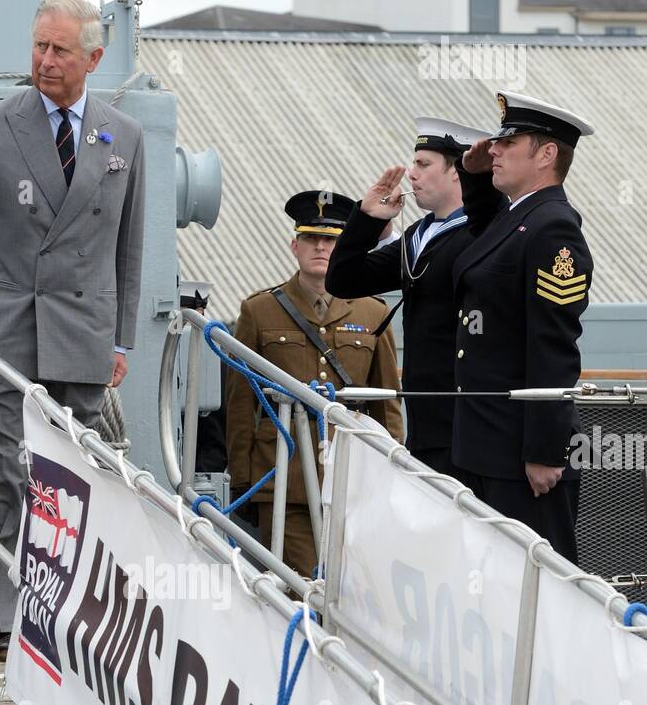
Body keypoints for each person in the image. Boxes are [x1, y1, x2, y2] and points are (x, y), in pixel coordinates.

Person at [0, 0, 145, 661]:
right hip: (1, 331)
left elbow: (127, 244)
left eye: (59, 50)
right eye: (38, 46)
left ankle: (61, 618)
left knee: (70, 483)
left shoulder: (124, 136)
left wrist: (120, 338)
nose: (45, 61)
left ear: (93, 56)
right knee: (3, 475)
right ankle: (4, 627)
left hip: (81, 335)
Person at [225, 191, 404, 578]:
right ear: (294, 245)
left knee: (353, 587)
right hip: (283, 477)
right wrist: (243, 480)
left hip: (352, 479)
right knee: (302, 586)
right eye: (310, 238)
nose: (320, 247)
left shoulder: (373, 312)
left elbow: (386, 404)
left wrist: (393, 475)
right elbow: (241, 404)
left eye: (331, 240)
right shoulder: (259, 310)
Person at [452, 93, 594, 563]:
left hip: (522, 456)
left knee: (540, 591)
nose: (493, 149)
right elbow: (483, 235)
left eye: (508, 141)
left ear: (546, 154)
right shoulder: (518, 217)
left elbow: (552, 345)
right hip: (486, 445)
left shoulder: (553, 228)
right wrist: (474, 176)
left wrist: (545, 450)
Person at [327, 117, 501, 478]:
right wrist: (368, 220)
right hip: (424, 414)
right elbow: (343, 280)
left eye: (423, 164)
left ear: (458, 172)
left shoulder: (482, 232)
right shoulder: (417, 237)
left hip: (467, 417)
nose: (412, 175)